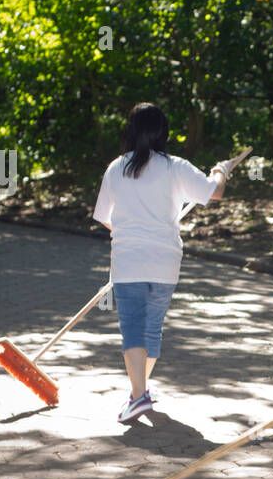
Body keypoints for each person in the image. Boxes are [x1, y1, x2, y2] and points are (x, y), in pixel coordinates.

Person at [93, 102, 235, 423]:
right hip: (165, 261)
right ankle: (139, 393)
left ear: (130, 130)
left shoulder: (117, 168)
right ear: (163, 133)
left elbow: (104, 217)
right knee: (151, 329)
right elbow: (214, 193)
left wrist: (130, 233)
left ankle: (139, 395)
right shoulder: (175, 166)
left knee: (132, 329)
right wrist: (219, 171)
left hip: (129, 261)